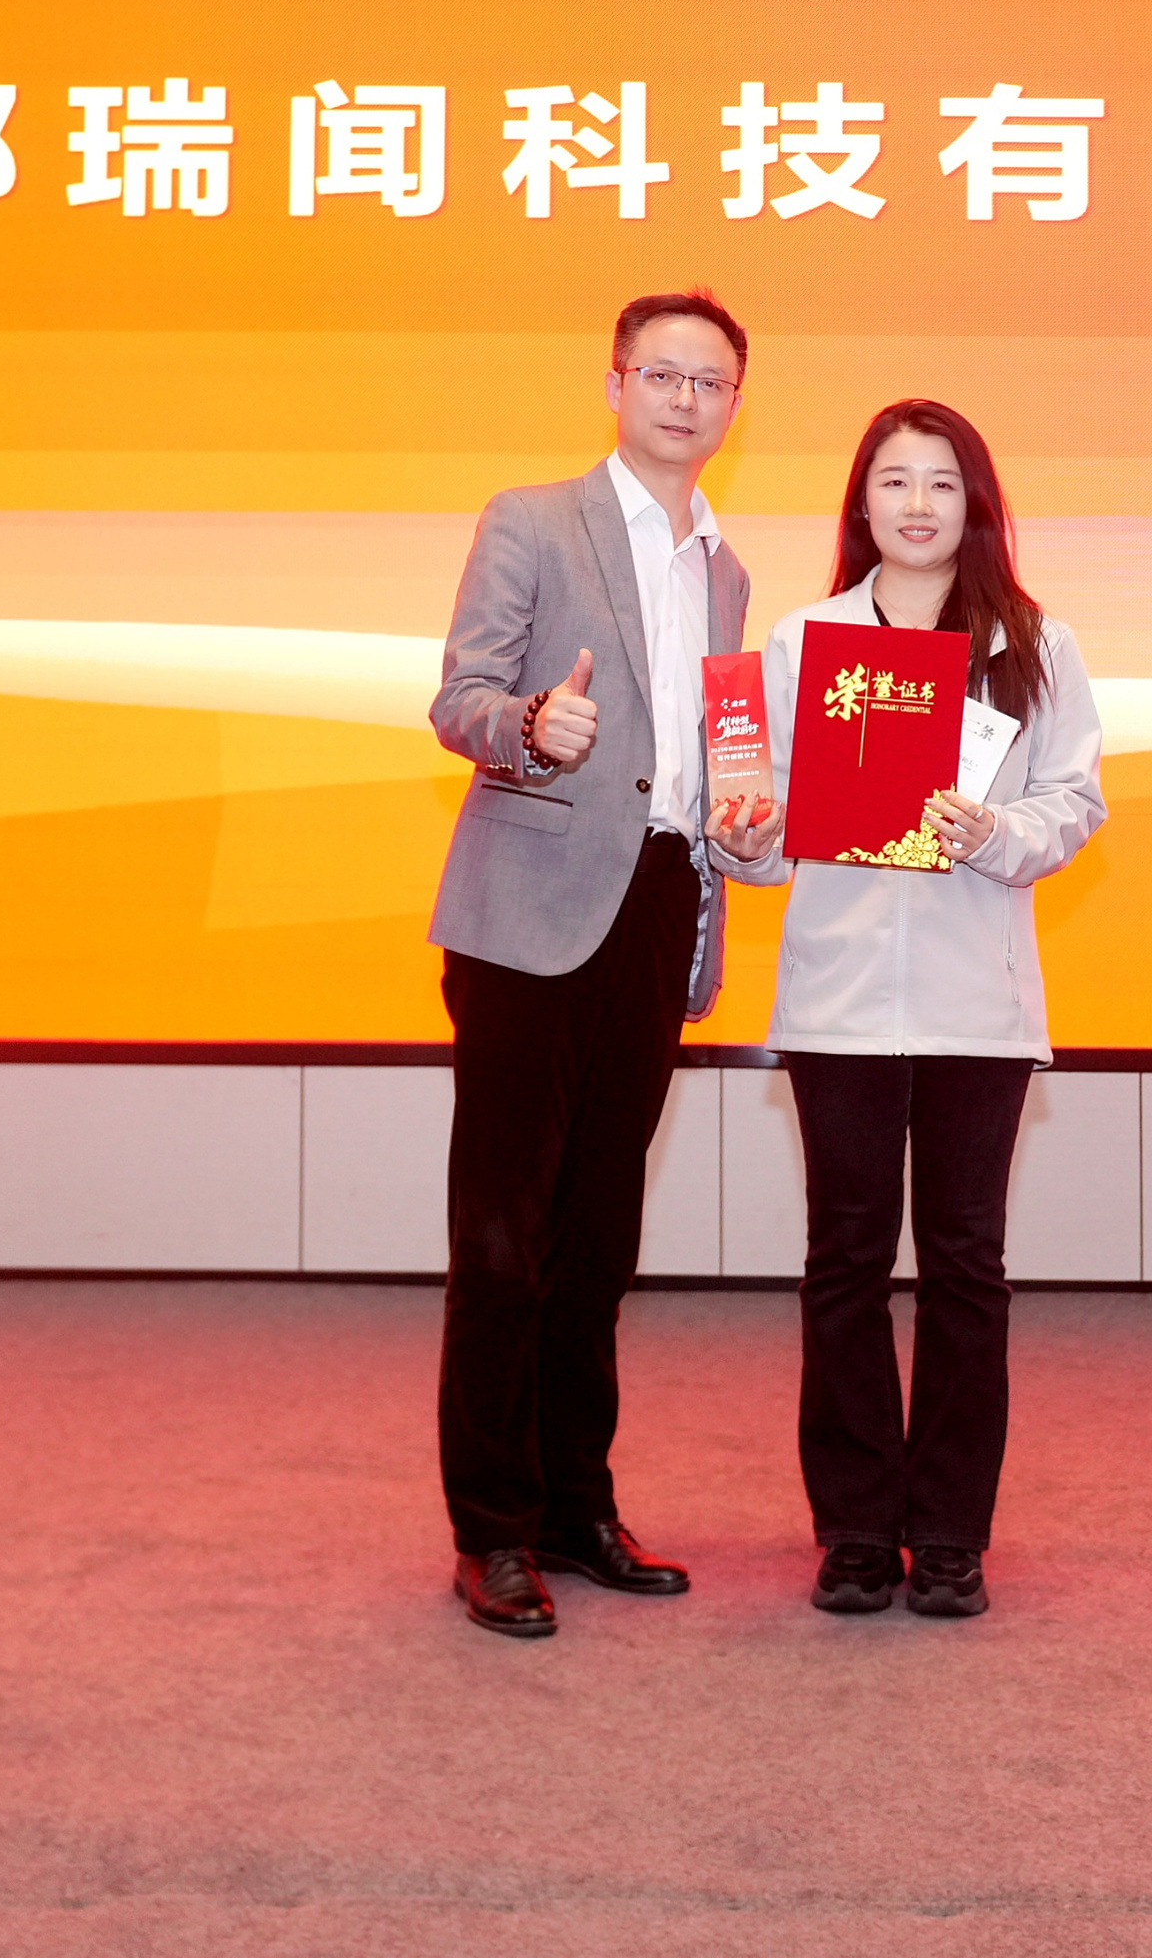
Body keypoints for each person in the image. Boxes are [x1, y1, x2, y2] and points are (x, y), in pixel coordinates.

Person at [714, 400, 1104, 1619]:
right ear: (861, 502)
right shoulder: (803, 640)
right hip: (837, 1005)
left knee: (963, 1266)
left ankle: (946, 1534)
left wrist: (996, 832)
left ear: (974, 503)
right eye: (893, 480)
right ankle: (850, 1530)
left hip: (974, 1008)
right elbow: (766, 823)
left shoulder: (1032, 643)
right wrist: (748, 834)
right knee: (841, 1261)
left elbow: (1073, 802)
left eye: (941, 482)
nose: (917, 504)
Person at [421, 291, 759, 1638]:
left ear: (734, 406)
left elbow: (707, 753)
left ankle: (576, 1504)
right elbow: (458, 697)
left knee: (599, 1240)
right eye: (661, 373)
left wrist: (743, 828)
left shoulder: (726, 571)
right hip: (527, 914)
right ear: (615, 383)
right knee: (503, 1239)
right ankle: (492, 1529)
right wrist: (527, 726)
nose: (684, 398)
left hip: (658, 906)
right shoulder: (531, 519)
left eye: (709, 381)